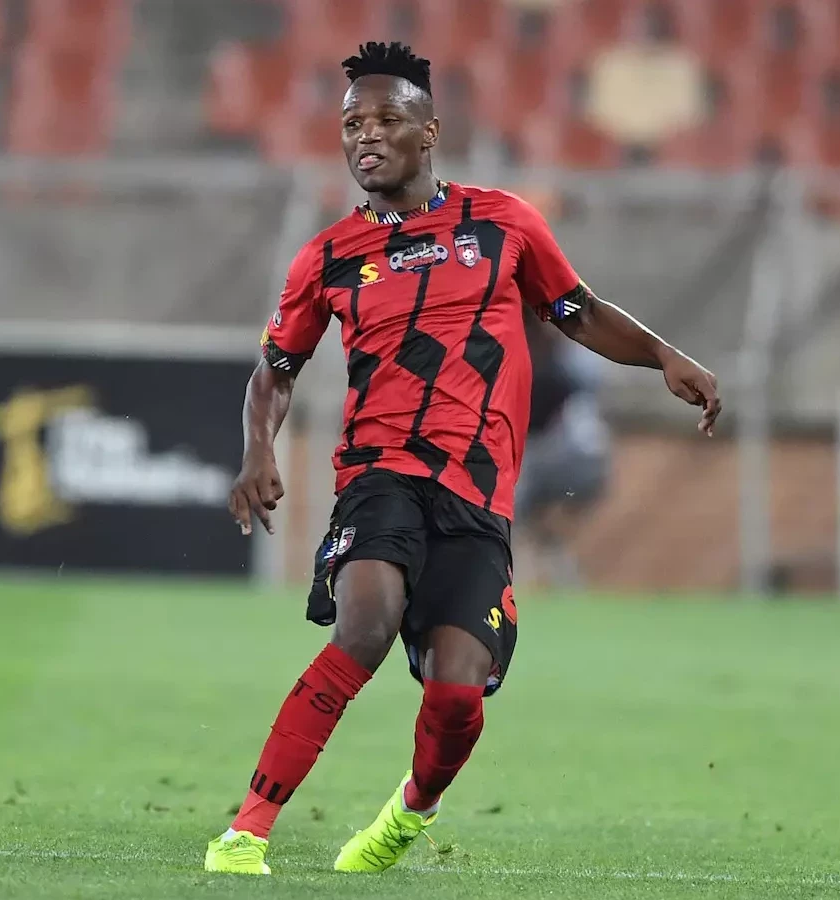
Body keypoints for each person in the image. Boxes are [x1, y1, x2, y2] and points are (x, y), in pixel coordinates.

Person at [204, 42, 720, 876]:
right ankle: (247, 832)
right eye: (352, 124)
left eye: (387, 120)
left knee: (455, 693)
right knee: (364, 627)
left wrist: (663, 355)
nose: (366, 137)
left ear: (430, 132)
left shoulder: (503, 223)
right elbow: (275, 369)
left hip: (477, 494)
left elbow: (578, 311)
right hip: (378, 474)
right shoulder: (328, 256)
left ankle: (411, 811)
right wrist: (257, 449)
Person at [516, 311, 612, 588]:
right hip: (585, 461)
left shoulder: (553, 374)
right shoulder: (574, 366)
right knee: (540, 526)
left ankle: (519, 573)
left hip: (565, 460)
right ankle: (557, 572)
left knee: (513, 512)